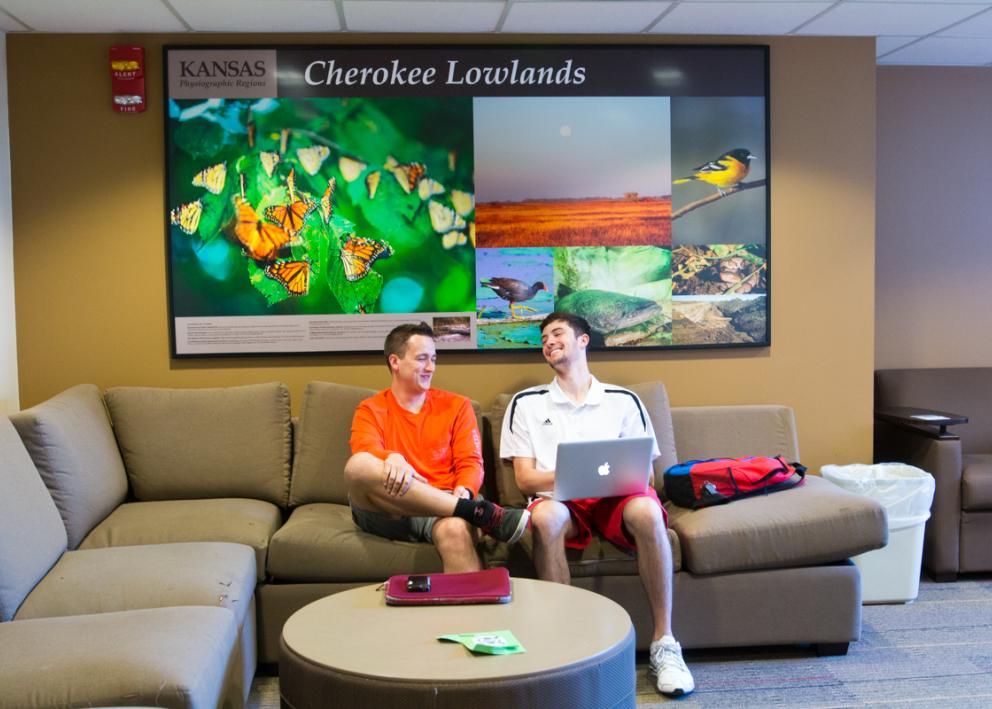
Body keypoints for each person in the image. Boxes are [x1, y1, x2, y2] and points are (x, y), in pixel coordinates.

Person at [499, 312, 694, 697]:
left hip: (615, 503)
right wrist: (570, 473)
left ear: (583, 340)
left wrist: (605, 479)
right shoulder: (527, 403)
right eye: (543, 338)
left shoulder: (624, 401)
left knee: (649, 510)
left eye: (557, 333)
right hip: (560, 504)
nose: (548, 342)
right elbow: (524, 480)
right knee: (548, 517)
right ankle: (566, 645)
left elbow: (646, 477)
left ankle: (665, 644)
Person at [345, 322, 530, 573]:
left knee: (454, 528)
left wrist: (464, 491)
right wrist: (392, 457)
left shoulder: (458, 406)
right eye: (422, 359)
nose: (431, 367)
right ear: (395, 362)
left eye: (433, 358)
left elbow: (470, 462)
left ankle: (464, 511)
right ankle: (475, 512)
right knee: (357, 466)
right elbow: (364, 448)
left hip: (444, 501)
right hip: (388, 510)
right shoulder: (370, 408)